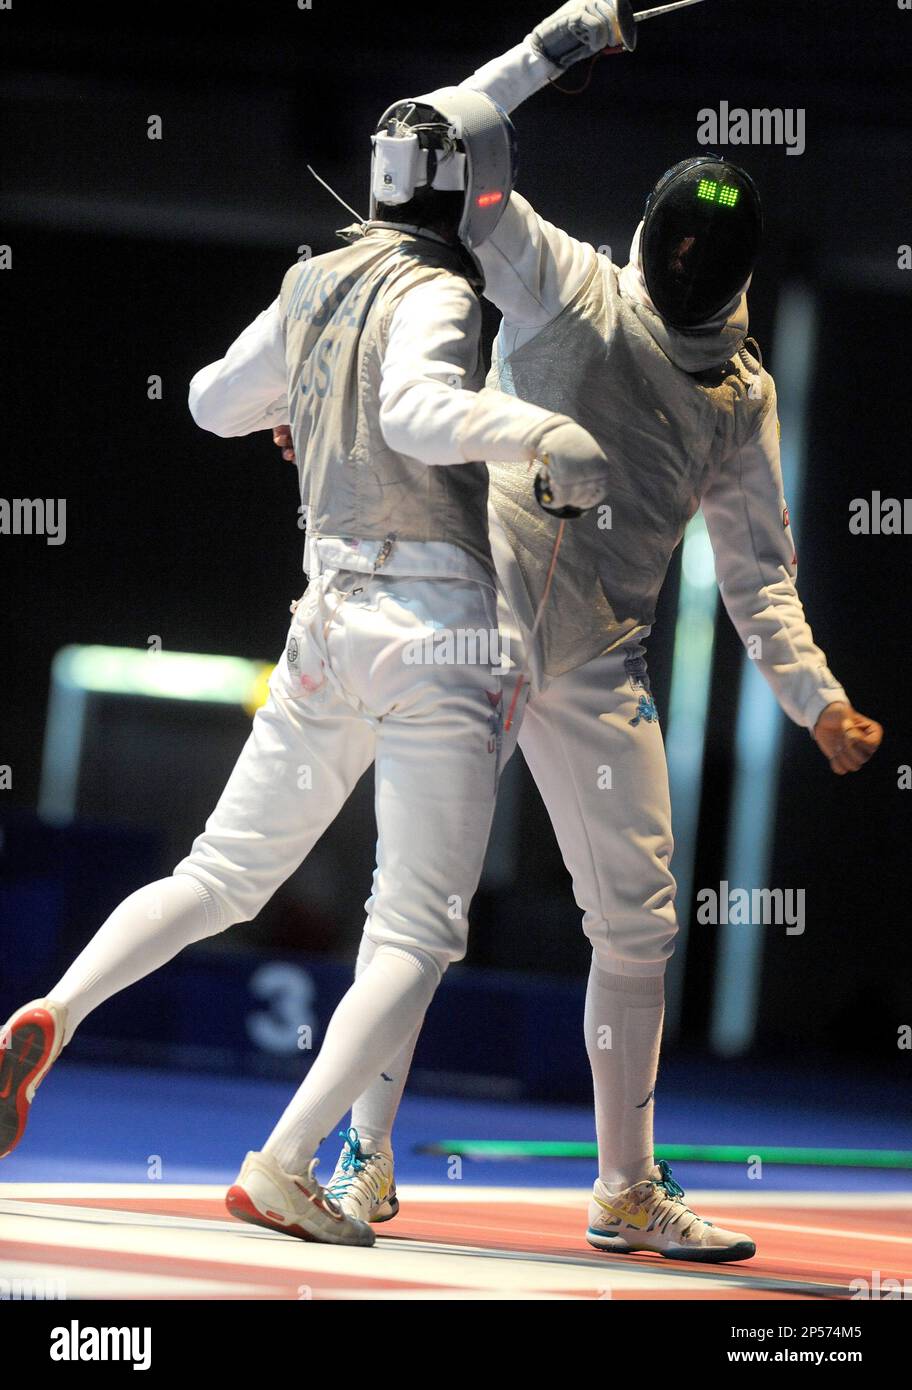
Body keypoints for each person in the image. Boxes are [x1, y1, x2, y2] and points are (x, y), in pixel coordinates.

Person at [306, 1, 883, 1263]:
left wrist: (815, 698)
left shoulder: (742, 396)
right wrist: (541, 54)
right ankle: (364, 1157)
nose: (680, 282)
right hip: (476, 628)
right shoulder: (563, 282)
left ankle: (625, 1189)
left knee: (637, 918)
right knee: (420, 901)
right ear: (653, 243)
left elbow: (759, 578)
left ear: (730, 282)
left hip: (602, 664)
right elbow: (439, 148)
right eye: (675, 257)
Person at [0, 88, 610, 1248]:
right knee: (418, 928)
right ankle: (284, 1164)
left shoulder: (309, 281)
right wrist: (541, 436)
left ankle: (56, 1009)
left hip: (325, 617)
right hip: (435, 627)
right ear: (466, 196)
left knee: (223, 871)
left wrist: (302, 396)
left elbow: (207, 402)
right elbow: (426, 413)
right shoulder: (439, 289)